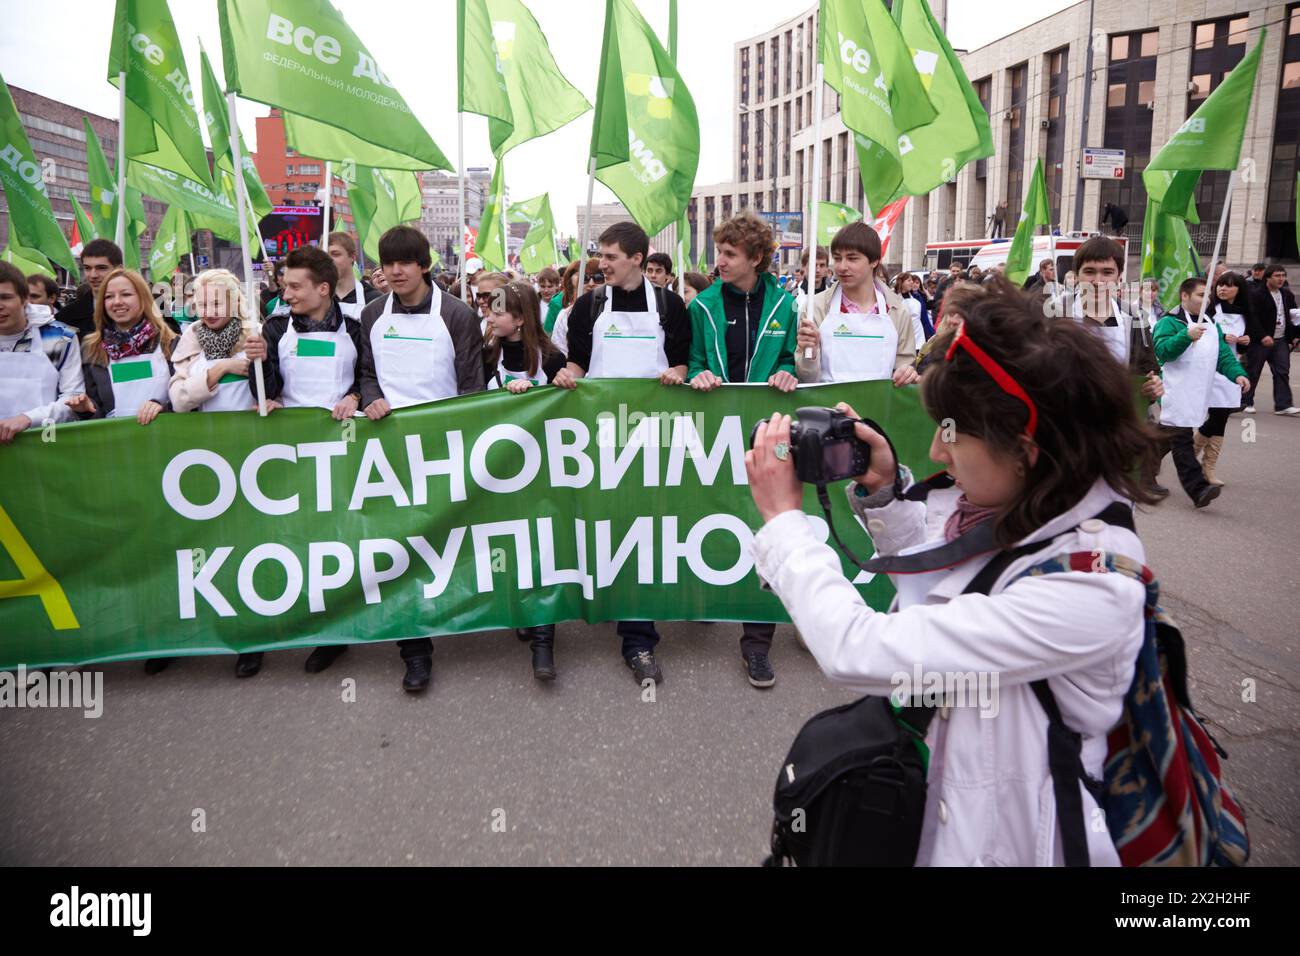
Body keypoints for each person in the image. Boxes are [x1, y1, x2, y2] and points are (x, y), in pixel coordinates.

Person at [745, 281, 1159, 866]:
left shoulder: (1090, 585)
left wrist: (785, 522)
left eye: (951, 437)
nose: (938, 457)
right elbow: (947, 580)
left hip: (1010, 844)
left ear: (1024, 449)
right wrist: (887, 491)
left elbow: (858, 650)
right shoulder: (1022, 504)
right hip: (948, 805)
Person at [554, 221, 691, 686]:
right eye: (600, 255)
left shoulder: (671, 305)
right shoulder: (587, 307)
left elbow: (681, 361)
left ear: (637, 258)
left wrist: (676, 372)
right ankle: (606, 600)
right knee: (602, 526)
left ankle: (639, 641)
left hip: (653, 437)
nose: (602, 263)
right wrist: (566, 376)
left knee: (644, 533)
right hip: (599, 437)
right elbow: (578, 362)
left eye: (611, 256)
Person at [357, 225, 484, 693]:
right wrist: (370, 398)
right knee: (400, 548)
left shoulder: (458, 315)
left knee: (456, 541)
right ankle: (414, 650)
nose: (395, 271)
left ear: (424, 265)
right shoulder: (371, 315)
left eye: (405, 262)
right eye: (388, 263)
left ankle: (487, 614)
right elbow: (367, 373)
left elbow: (472, 384)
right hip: (391, 451)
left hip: (448, 446)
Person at [685, 213, 798, 689]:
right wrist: (699, 374)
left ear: (756, 258)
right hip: (712, 429)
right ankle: (702, 600)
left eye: (730, 254)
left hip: (764, 430)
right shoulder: (702, 305)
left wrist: (789, 371)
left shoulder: (785, 304)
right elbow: (691, 361)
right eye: (719, 251)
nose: (720, 261)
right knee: (705, 516)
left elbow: (792, 358)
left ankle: (757, 643)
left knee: (766, 526)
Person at [242, 245, 364, 675]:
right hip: (288, 450)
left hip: (342, 448)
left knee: (335, 541)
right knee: (283, 538)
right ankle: (261, 634)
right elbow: (266, 391)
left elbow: (369, 378)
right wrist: (260, 373)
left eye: (295, 286)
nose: (287, 293)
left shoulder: (356, 325)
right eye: (283, 286)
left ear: (323, 288)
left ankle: (333, 634)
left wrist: (354, 397)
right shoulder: (274, 328)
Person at [479, 280, 568, 681]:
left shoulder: (549, 356)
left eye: (498, 312)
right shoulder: (486, 354)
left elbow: (571, 404)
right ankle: (522, 608)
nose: (490, 317)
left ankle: (544, 642)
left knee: (544, 549)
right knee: (512, 544)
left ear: (519, 318)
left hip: (545, 470)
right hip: (500, 469)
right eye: (490, 310)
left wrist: (559, 385)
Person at [1152, 277, 1248, 508]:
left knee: (1165, 438)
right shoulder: (1169, 322)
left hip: (1197, 392)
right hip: (1175, 391)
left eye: (1208, 294)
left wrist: (1237, 374)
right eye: (1200, 294)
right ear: (1184, 296)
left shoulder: (1210, 323)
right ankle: (1198, 489)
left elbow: (1223, 355)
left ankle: (1139, 467)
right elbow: (1163, 352)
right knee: (1182, 439)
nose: (1206, 299)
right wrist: (1186, 336)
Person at [795, 222, 920, 387]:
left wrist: (907, 374)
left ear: (874, 261)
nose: (842, 267)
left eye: (852, 258)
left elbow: (904, 368)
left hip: (878, 410)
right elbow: (806, 378)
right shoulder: (815, 308)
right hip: (827, 410)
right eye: (838, 258)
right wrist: (809, 355)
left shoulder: (897, 310)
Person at [0, 262, 90, 444]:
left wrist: (27, 418)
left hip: (45, 444)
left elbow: (73, 398)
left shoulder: (58, 338)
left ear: (25, 298)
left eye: (5, 297)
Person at [80, 269, 178, 423]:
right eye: (109, 296)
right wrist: (85, 408)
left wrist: (162, 407)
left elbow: (187, 400)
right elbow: (97, 408)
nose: (117, 301)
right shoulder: (92, 348)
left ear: (143, 298)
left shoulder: (170, 343)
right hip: (117, 441)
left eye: (126, 294)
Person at [1197, 272, 1252, 486]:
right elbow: (1198, 333)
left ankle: (1205, 464)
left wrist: (1245, 341)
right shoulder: (1209, 310)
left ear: (1239, 290)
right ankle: (1197, 462)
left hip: (1232, 369)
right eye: (1220, 285)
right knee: (1217, 415)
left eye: (1229, 286)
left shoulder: (1246, 313)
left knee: (1222, 417)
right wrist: (1220, 337)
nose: (1223, 289)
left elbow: (1251, 341)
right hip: (1212, 368)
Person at [1243, 264, 1300, 415]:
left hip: (1280, 339)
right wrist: (1262, 336)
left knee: (1282, 371)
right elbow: (1252, 318)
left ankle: (1283, 405)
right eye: (1277, 276)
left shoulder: (1287, 295)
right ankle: (1245, 401)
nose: (1281, 279)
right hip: (1259, 341)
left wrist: (1295, 336)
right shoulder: (1256, 294)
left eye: (1283, 275)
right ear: (1267, 277)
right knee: (1253, 371)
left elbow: (1293, 316)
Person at [58, 239, 123, 340]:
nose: (93, 275)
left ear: (119, 270)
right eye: (87, 268)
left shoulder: (138, 313)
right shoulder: (66, 317)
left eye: (101, 268)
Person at [546, 258, 603, 354]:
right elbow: (560, 352)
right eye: (585, 278)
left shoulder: (615, 313)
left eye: (598, 278)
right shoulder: (565, 315)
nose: (591, 283)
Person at [327, 232, 381, 321]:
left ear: (352, 257)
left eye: (335, 254)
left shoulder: (374, 299)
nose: (329, 260)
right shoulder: (316, 298)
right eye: (325, 255)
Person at [892, 272, 933, 349]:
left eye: (912, 280)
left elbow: (924, 318)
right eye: (909, 280)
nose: (912, 282)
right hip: (903, 336)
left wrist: (931, 333)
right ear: (902, 282)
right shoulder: (894, 297)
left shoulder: (917, 297)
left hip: (918, 336)